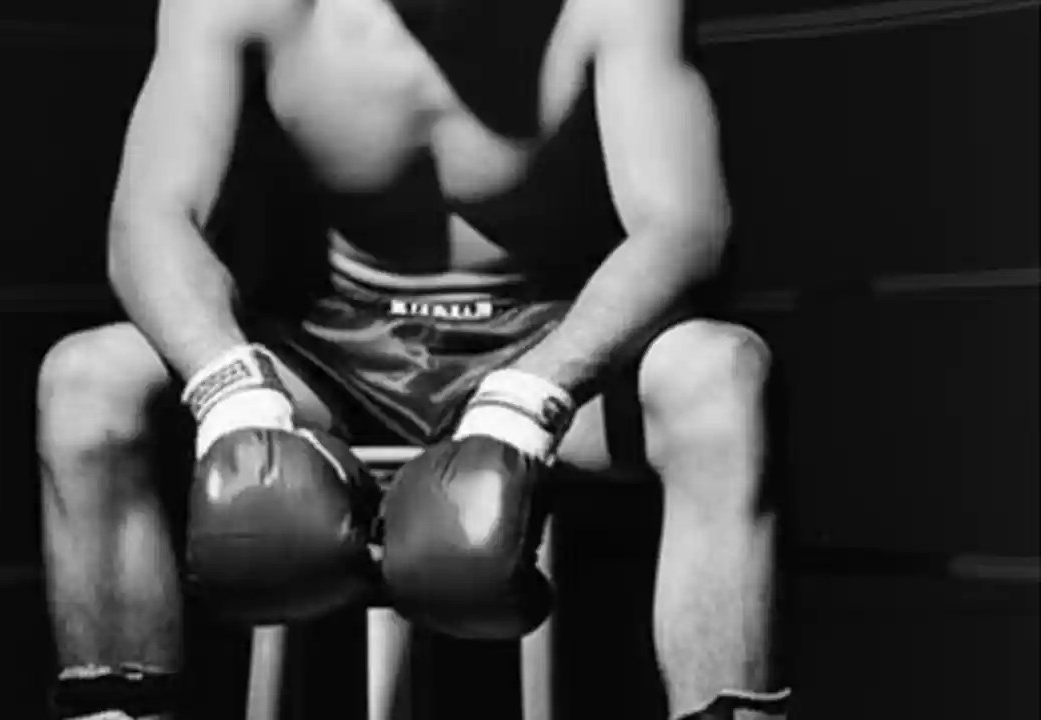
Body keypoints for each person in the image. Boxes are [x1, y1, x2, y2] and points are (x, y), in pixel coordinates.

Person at [39, 0, 792, 717]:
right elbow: (149, 220)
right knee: (87, 383)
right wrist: (233, 394)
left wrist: (531, 398)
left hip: (551, 342)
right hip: (328, 355)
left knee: (722, 378)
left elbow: (684, 228)